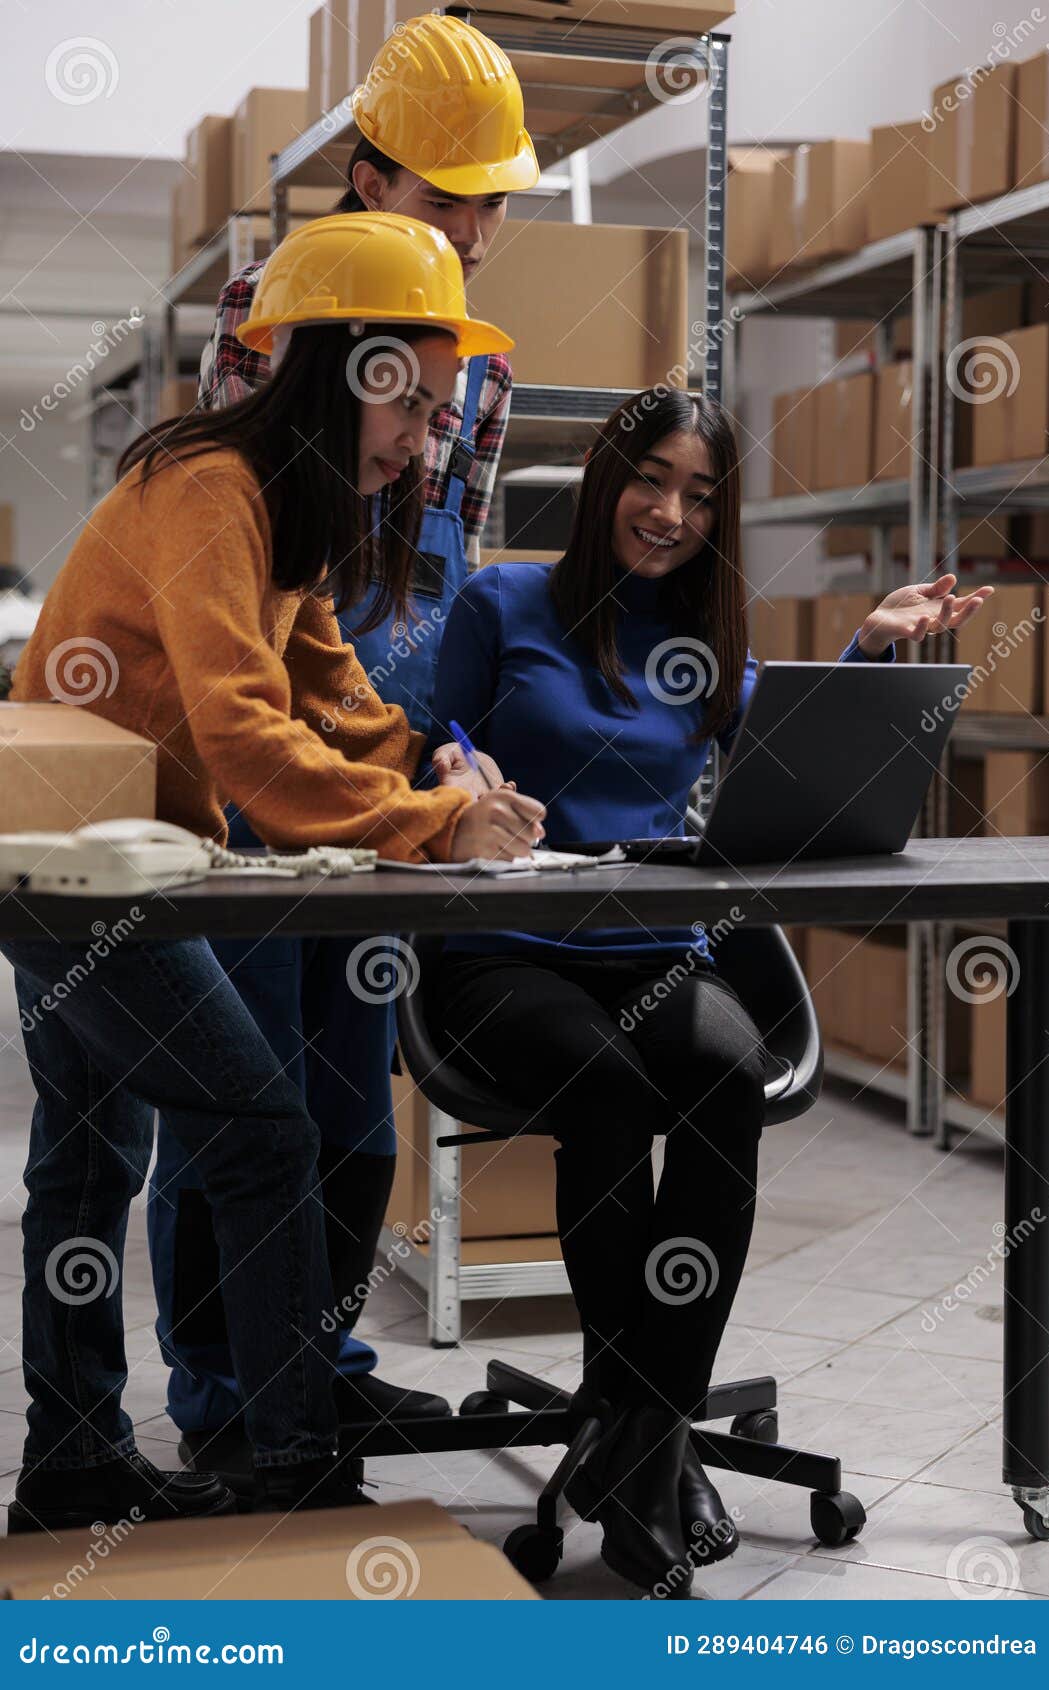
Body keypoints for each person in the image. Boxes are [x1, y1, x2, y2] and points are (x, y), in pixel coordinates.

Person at [1, 212, 544, 1532]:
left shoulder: (281, 514)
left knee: (86, 1163)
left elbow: (331, 691)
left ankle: (70, 1460)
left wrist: (442, 775)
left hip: (107, 854)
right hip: (71, 862)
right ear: (341, 371)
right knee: (259, 1129)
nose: (422, 437)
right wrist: (424, 827)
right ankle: (293, 1463)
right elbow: (246, 734)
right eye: (408, 403)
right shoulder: (207, 489)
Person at [425, 387, 995, 1594]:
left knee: (725, 1075)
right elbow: (424, 744)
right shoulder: (501, 601)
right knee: (610, 1087)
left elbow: (785, 754)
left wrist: (869, 649)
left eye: (698, 495)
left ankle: (642, 1430)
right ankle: (653, 1445)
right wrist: (457, 781)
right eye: (652, 481)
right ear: (603, 477)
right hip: (507, 952)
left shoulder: (701, 630)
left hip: (654, 952)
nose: (670, 512)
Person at [150, 12, 539, 1477]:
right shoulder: (279, 315)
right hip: (261, 763)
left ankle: (322, 1366)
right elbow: (256, 577)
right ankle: (220, 1390)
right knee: (236, 1092)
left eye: (493, 203)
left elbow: (452, 561)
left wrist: (441, 755)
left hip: (384, 751)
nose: (478, 231)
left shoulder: (475, 365)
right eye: (448, 201)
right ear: (370, 179)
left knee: (350, 1096)